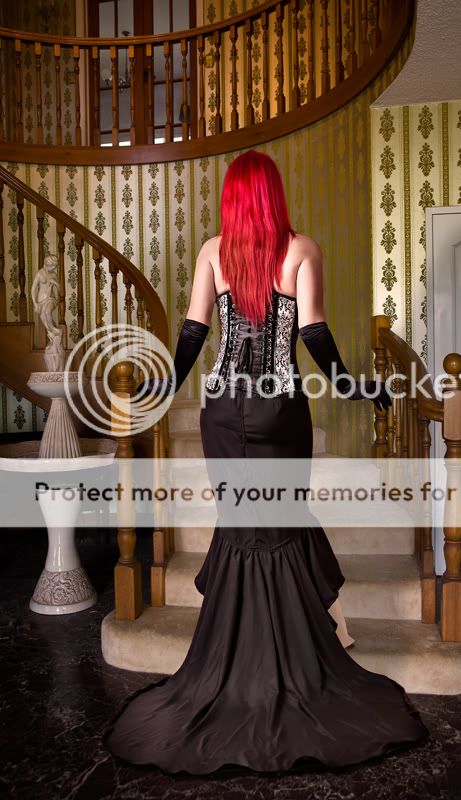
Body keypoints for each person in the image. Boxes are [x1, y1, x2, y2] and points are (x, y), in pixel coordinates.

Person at [103, 150, 429, 775]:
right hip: (280, 408)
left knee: (241, 528)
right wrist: (355, 387)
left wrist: (164, 388)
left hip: (223, 409)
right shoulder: (301, 249)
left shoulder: (212, 251)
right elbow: (314, 337)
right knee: (279, 523)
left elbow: (194, 335)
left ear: (233, 197)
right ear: (273, 195)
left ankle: (235, 663)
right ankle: (295, 658)